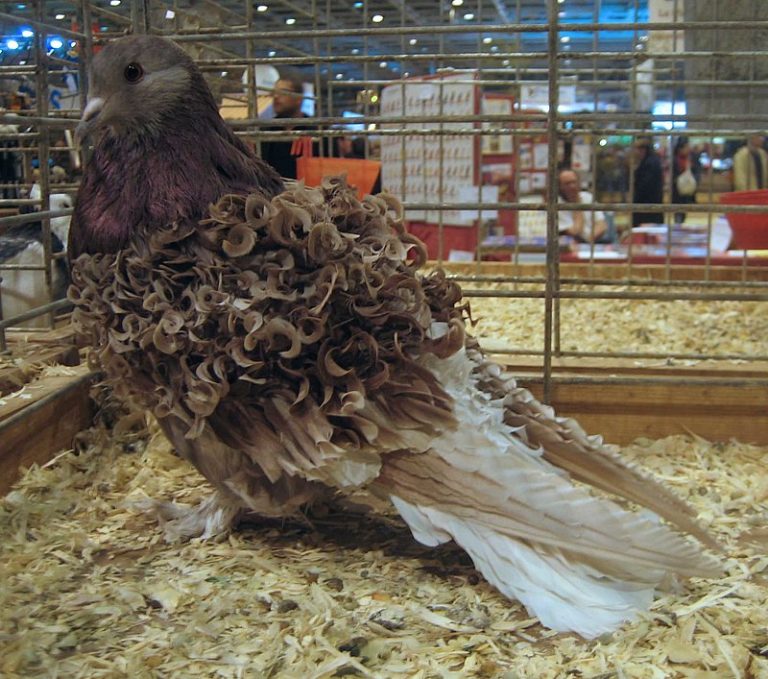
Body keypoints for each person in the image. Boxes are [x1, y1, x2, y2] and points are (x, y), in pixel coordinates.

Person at [259, 74, 315, 179]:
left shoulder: (315, 129)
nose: (276, 96)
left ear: (298, 98)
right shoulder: (267, 130)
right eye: (274, 92)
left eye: (282, 92)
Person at [557, 168, 608, 243]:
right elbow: (576, 232)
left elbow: (602, 225)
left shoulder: (588, 197)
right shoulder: (557, 205)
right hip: (571, 243)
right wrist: (576, 203)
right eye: (567, 184)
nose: (572, 186)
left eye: (574, 182)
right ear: (560, 187)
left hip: (592, 241)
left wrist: (588, 241)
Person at [631, 137, 664, 227]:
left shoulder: (649, 163)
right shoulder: (651, 161)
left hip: (647, 206)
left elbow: (644, 185)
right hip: (650, 206)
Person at [671, 136, 701, 223]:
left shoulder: (692, 157)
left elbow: (697, 171)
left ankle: (681, 221)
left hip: (688, 186)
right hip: (677, 188)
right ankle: (678, 222)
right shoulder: (675, 159)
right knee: (678, 208)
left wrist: (695, 181)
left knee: (684, 207)